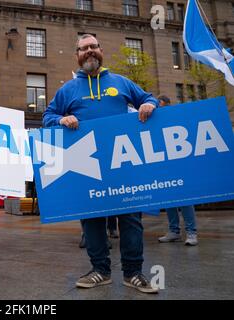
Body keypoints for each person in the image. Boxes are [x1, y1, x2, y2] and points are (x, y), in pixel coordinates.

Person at [43, 34, 158, 294]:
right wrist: (61, 120)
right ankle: (100, 270)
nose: (89, 51)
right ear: (77, 55)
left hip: (123, 164)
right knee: (92, 219)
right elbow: (48, 116)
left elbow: (148, 98)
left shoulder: (121, 82)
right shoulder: (67, 90)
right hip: (88, 166)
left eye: (93, 47)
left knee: (130, 218)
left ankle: (133, 273)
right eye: (84, 49)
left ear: (101, 51)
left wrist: (150, 105)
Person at [156, 95, 198, 246]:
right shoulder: (157, 121)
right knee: (169, 198)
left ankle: (191, 232)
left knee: (185, 199)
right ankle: (174, 231)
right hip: (164, 165)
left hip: (179, 164)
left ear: (167, 104)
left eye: (160, 105)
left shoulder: (177, 117)